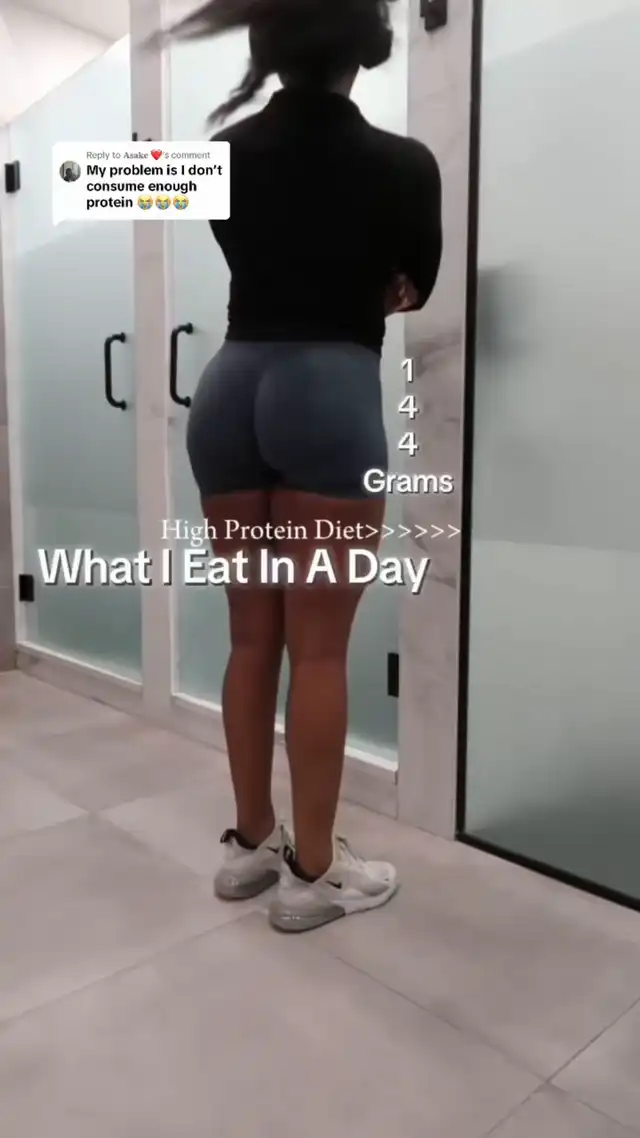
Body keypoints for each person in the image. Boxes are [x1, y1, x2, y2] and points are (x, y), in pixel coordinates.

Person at [160, 0, 442, 932]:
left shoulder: (223, 155)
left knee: (252, 638)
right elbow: (411, 285)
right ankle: (313, 875)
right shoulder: (406, 163)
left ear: (268, 49)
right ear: (366, 47)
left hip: (229, 387)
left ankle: (250, 844)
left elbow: (237, 243)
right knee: (318, 649)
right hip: (328, 386)